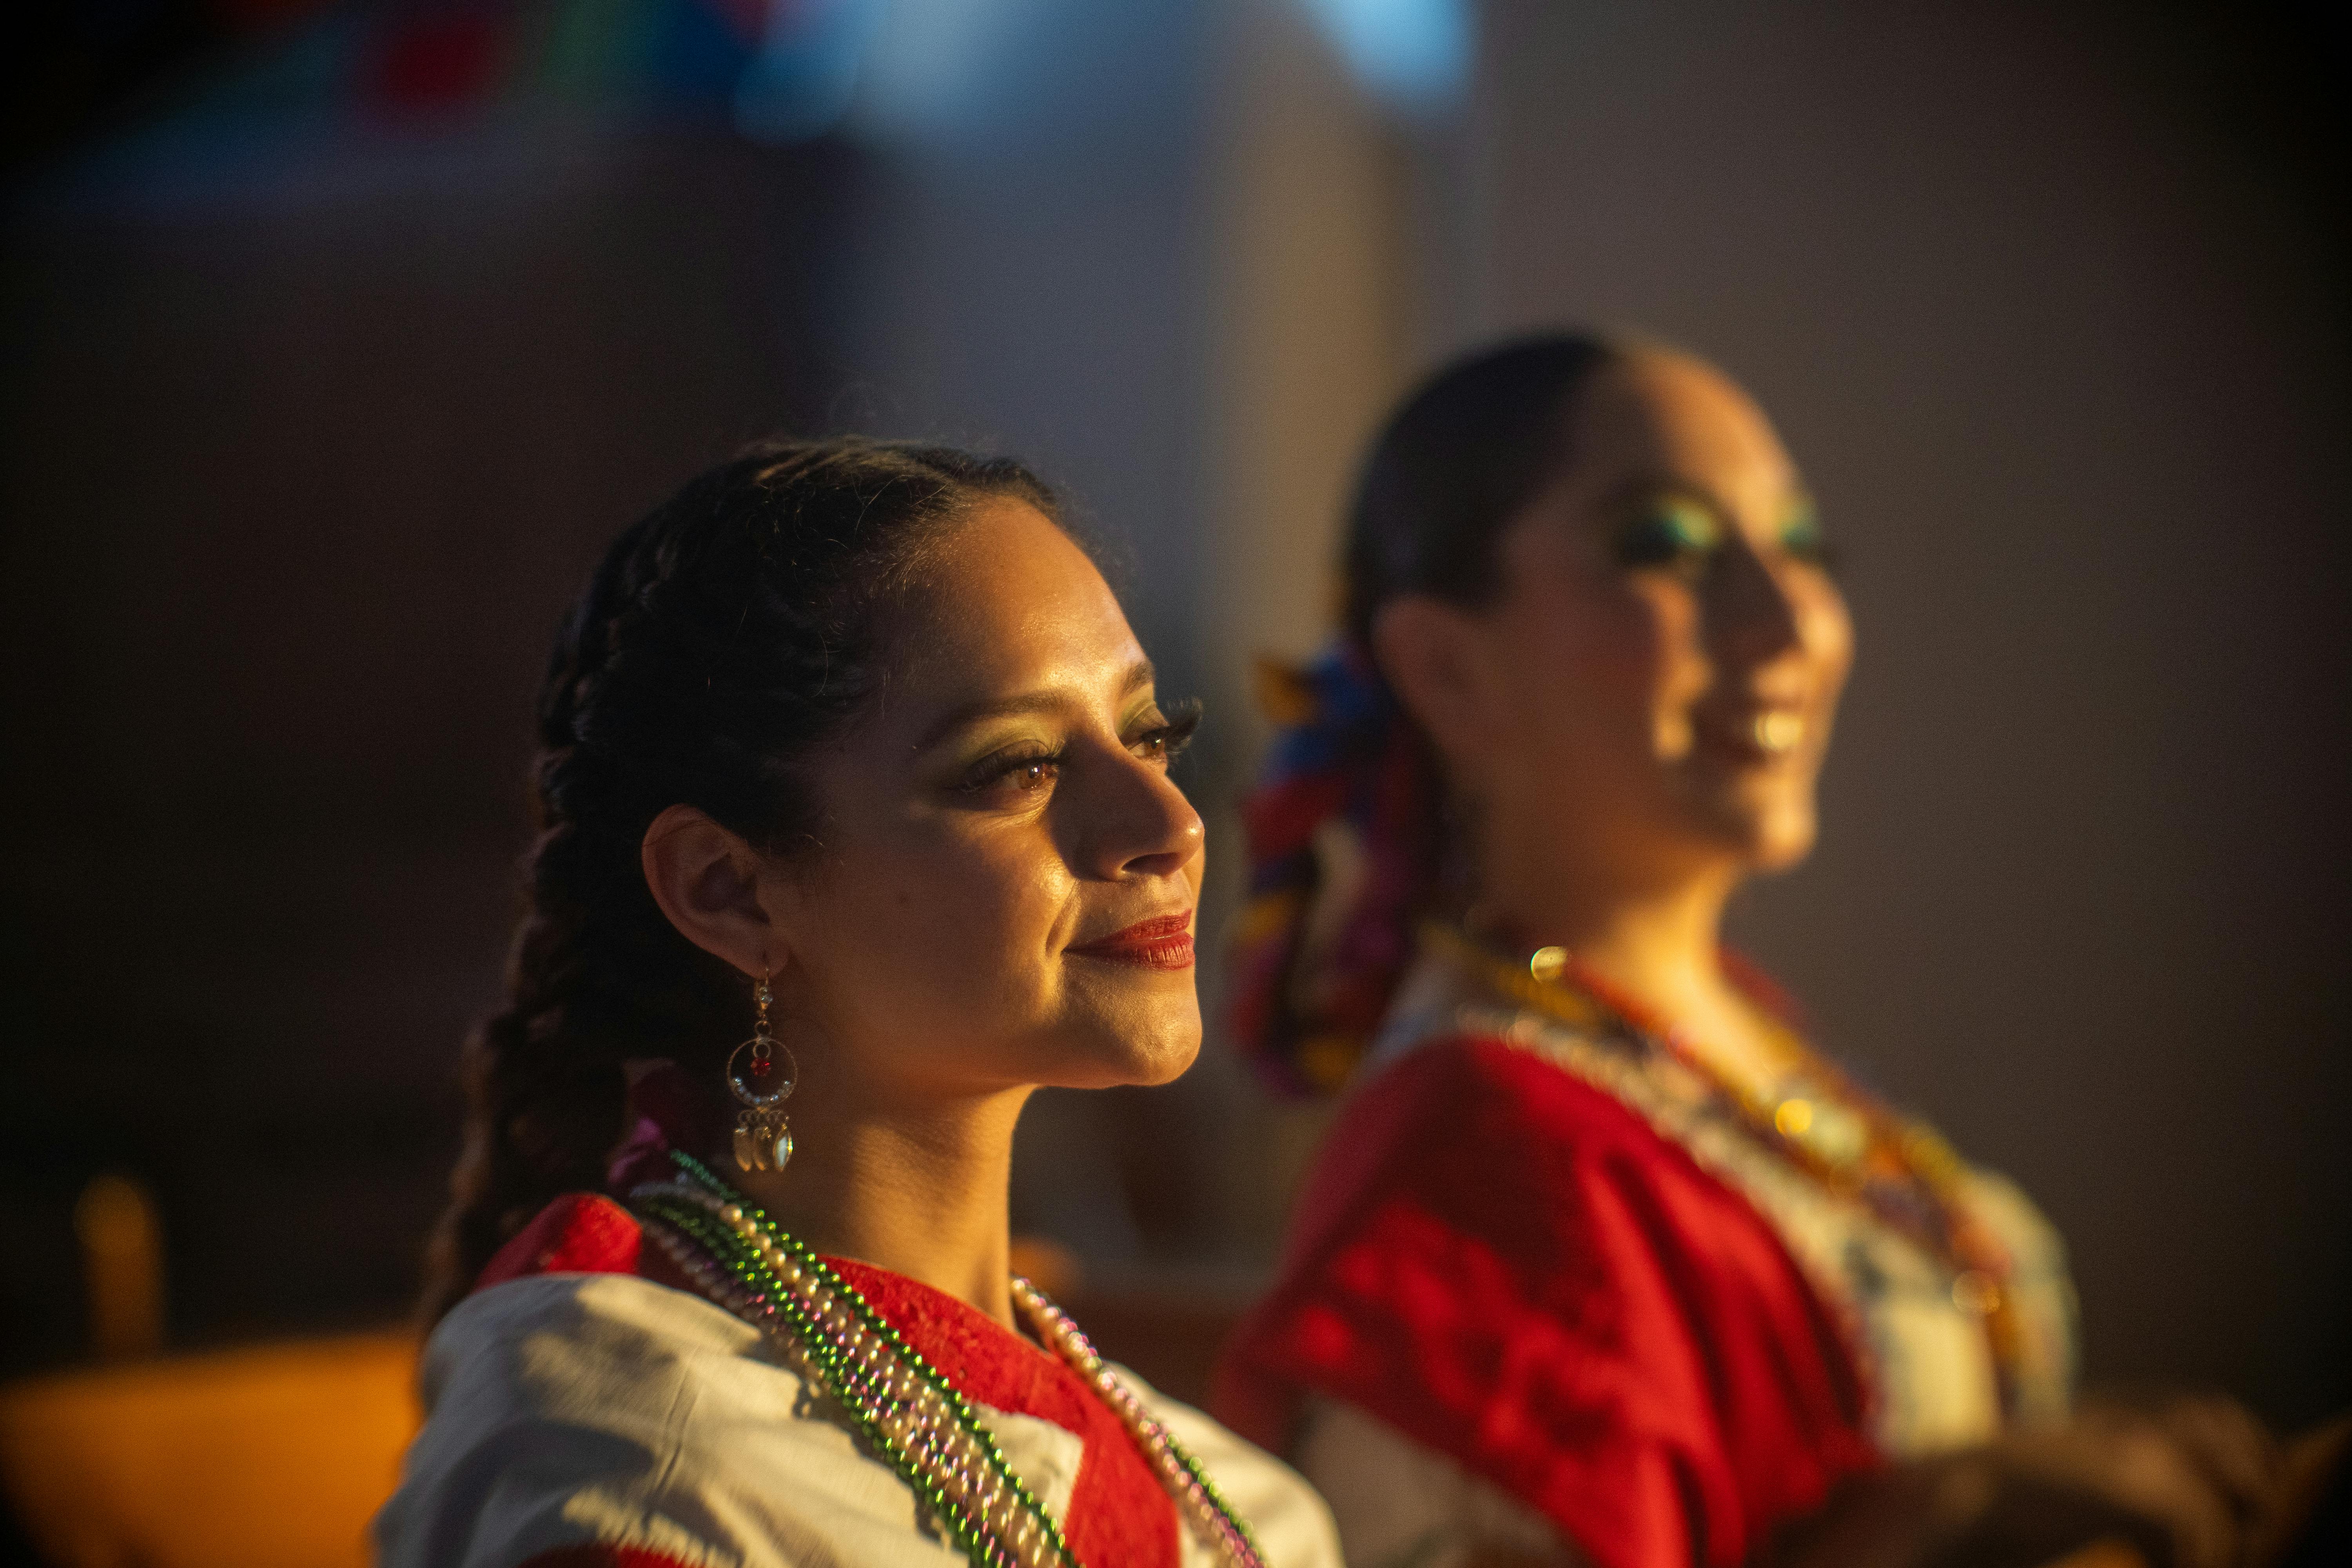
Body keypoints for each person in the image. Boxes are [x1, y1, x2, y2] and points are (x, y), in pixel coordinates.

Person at [1212, 337, 2280, 1568]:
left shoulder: (1715, 1043)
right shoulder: (1482, 1143)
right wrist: (1938, 1515)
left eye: (1803, 547)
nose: (1791, 622)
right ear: (1448, 668)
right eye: (1665, 546)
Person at [376, 438, 1342, 1568]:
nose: (1170, 824)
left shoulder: (1238, 1504)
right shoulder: (649, 1467)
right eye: (1018, 767)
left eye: (1150, 737)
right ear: (729, 889)